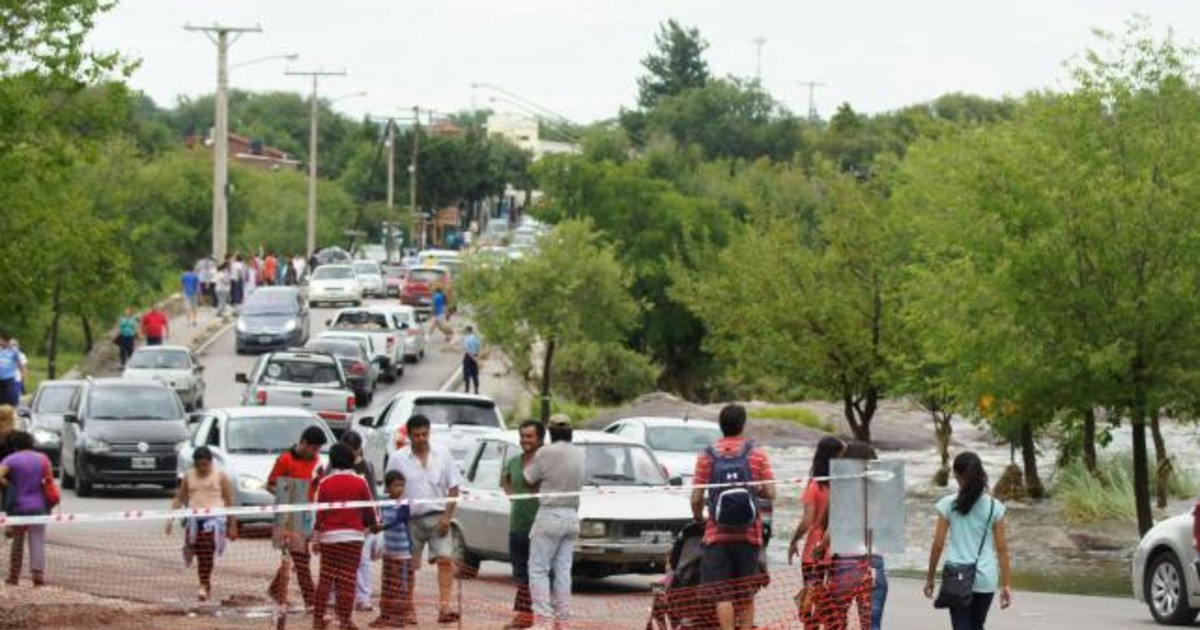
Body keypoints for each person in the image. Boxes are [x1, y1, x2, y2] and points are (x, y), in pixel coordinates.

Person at [691, 404, 776, 630]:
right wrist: (753, 489)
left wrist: (699, 517)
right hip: (750, 536)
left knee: (723, 595)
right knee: (746, 594)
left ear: (721, 426)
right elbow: (772, 493)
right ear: (743, 424)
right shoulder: (757, 454)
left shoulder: (706, 456)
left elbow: (696, 497)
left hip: (717, 537)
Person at [386, 415, 462, 624]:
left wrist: (448, 516)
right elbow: (390, 489)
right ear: (409, 436)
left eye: (424, 434)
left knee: (445, 560)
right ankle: (408, 609)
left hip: (438, 517)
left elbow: (454, 486)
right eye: (416, 435)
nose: (421, 438)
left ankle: (444, 608)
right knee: (408, 567)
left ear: (429, 433)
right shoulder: (398, 458)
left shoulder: (443, 454)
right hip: (410, 518)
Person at [924, 452, 1012, 630]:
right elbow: (1002, 548)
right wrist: (1006, 584)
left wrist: (930, 578)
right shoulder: (995, 506)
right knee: (977, 626)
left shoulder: (948, 504)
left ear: (956, 475)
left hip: (957, 577)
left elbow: (938, 545)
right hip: (985, 577)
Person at [525, 414, 585, 629]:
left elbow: (528, 478)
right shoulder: (580, 453)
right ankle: (563, 619)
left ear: (550, 432)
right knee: (563, 570)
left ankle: (542, 620)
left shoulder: (545, 452)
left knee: (538, 569)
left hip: (550, 513)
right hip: (571, 515)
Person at [313, 443, 379, 630]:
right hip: (353, 537)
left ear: (332, 461)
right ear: (351, 460)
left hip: (330, 538)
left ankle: (318, 620)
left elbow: (320, 514)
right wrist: (373, 525)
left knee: (326, 578)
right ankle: (345, 621)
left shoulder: (325, 483)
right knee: (348, 580)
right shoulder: (360, 482)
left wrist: (316, 537)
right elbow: (369, 509)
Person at [268, 426, 329, 611]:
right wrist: (288, 494)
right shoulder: (285, 460)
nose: (315, 453)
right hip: (288, 516)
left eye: (318, 449)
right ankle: (310, 600)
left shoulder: (317, 462)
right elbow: (270, 484)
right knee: (302, 558)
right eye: (313, 448)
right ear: (303, 443)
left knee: (294, 557)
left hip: (307, 514)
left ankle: (275, 589)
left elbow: (318, 486)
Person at [166, 446, 238, 602]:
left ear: (211, 462)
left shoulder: (220, 476)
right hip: (194, 521)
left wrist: (233, 525)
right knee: (198, 552)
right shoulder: (189, 476)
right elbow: (179, 498)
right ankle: (204, 581)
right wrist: (170, 520)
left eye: (205, 465)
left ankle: (204, 584)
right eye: (198, 465)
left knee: (206, 552)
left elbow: (229, 501)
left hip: (214, 522)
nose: (202, 468)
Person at [788, 436, 845, 630]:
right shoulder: (843, 485)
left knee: (808, 606)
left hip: (813, 555)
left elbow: (807, 521)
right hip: (836, 552)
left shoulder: (814, 485)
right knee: (829, 608)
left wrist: (793, 541)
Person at [500, 420, 544, 629]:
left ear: (540, 439)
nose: (525, 440)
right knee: (521, 575)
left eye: (530, 436)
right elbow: (504, 480)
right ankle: (525, 616)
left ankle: (537, 617)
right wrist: (513, 497)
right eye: (523, 436)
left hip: (540, 528)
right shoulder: (514, 462)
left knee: (538, 574)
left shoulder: (544, 462)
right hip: (517, 526)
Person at [0, 431, 53, 586]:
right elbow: (48, 480)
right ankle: (37, 575)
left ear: (14, 445)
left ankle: (14, 576)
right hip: (39, 505)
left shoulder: (10, 459)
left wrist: (9, 485)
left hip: (18, 506)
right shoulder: (43, 459)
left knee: (18, 539)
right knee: (37, 538)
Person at [342, 431, 382, 613]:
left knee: (363, 561)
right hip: (341, 523)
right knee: (340, 561)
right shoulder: (333, 465)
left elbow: (372, 494)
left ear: (358, 450)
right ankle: (340, 596)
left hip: (361, 525)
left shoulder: (367, 467)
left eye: (352, 450)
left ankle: (363, 598)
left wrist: (373, 521)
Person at [371, 470, 414, 629]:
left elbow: (399, 519)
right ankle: (385, 616)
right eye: (396, 485)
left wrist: (381, 527)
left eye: (402, 485)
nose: (400, 489)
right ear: (387, 488)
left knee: (400, 587)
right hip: (388, 553)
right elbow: (375, 515)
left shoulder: (404, 504)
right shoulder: (383, 502)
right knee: (387, 585)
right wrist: (373, 524)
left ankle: (399, 617)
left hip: (403, 554)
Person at [0, 334, 24, 407]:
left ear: (6, 341)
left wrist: (22, 375)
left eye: (1, 340)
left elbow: (20, 364)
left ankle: (8, 412)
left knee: (8, 398)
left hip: (9, 379)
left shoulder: (13, 352)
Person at [461, 326, 481, 395]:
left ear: (468, 331)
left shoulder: (466, 339)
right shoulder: (476, 338)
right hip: (475, 355)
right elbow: (478, 346)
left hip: (468, 357)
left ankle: (467, 389)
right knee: (475, 373)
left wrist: (472, 357)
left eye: (465, 331)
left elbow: (467, 349)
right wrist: (476, 357)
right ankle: (476, 389)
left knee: (467, 374)